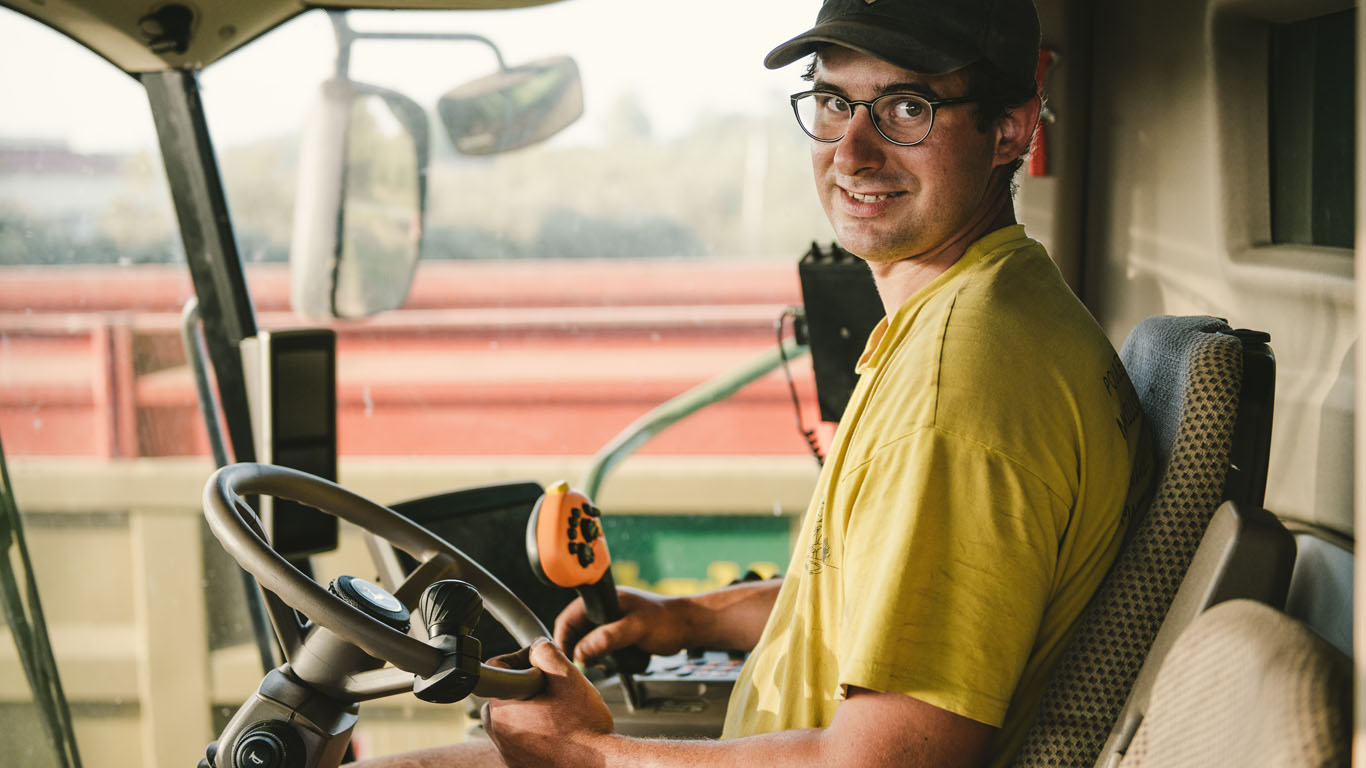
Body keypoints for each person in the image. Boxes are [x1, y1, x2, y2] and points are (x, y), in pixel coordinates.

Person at [361, 0, 1152, 766]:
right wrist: (687, 618)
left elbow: (887, 763)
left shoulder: (957, 389)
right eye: (833, 102)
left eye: (906, 109)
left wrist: (589, 755)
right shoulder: (995, 308)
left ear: (1010, 128)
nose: (852, 153)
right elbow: (886, 596)